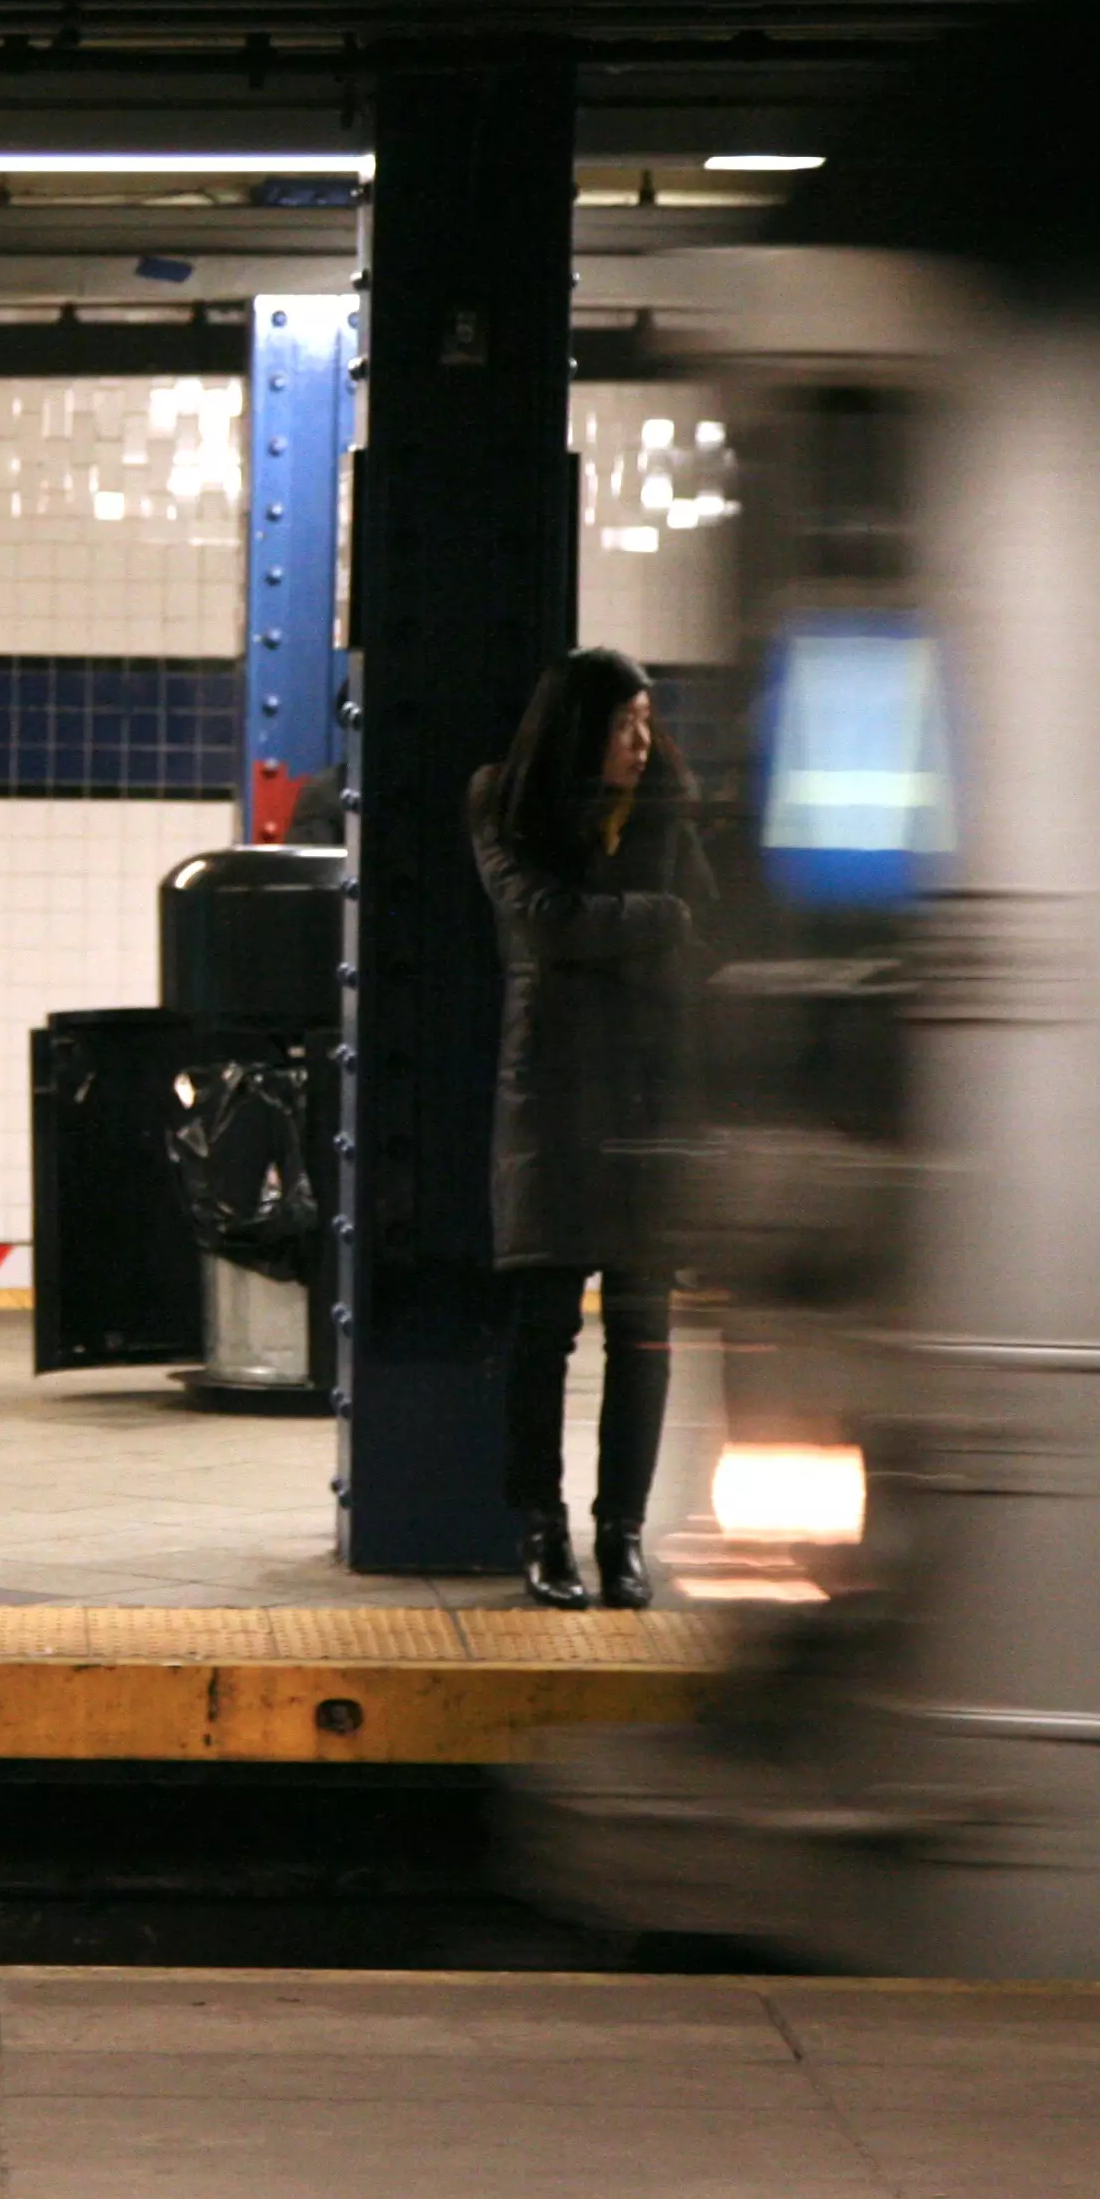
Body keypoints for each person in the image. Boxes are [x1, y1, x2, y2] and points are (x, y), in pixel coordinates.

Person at [470, 646, 712, 1610]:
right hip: (552, 1100)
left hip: (648, 1097)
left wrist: (621, 926)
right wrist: (652, 918)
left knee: (644, 1332)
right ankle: (541, 1531)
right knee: (543, 1329)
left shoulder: (667, 807)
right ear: (581, 727)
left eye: (649, 722)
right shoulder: (503, 800)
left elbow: (707, 926)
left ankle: (622, 1537)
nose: (643, 744)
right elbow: (544, 919)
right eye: (624, 725)